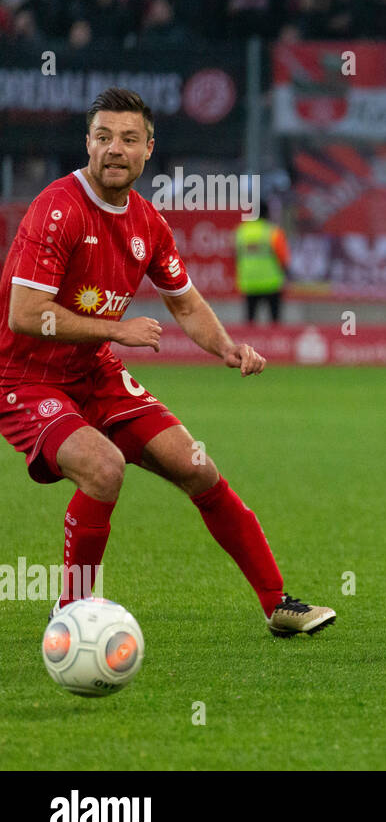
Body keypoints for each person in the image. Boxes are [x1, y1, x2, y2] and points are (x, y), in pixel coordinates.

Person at [0, 88, 334, 637]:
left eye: (129, 139)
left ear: (148, 149)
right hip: (26, 379)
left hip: (92, 372)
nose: (114, 149)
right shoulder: (56, 208)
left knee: (197, 466)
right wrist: (116, 329)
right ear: (87, 143)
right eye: (103, 137)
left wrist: (225, 346)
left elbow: (184, 301)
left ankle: (278, 604)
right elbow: (25, 314)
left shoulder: (148, 223)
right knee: (104, 469)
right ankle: (71, 616)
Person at [235, 208, 290, 324]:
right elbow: (283, 257)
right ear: (267, 213)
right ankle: (276, 341)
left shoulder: (241, 231)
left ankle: (250, 341)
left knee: (250, 320)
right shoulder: (273, 232)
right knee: (275, 322)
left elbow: (235, 254)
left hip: (249, 281)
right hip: (271, 282)